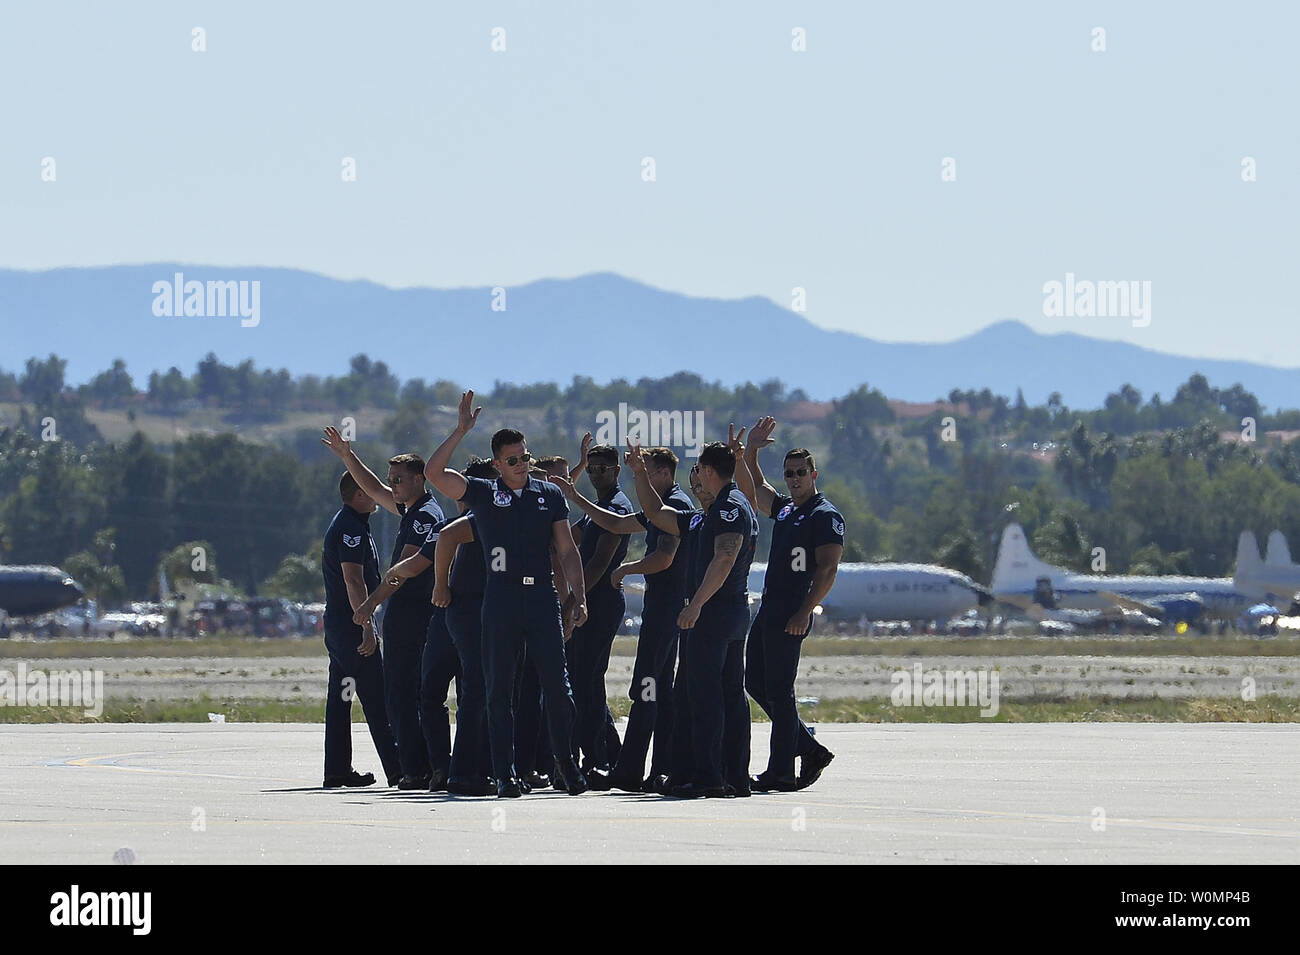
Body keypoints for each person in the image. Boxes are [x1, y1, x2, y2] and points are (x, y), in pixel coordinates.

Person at [423, 391, 589, 797]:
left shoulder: (547, 494)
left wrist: (579, 597)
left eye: (525, 457)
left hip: (541, 599)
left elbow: (566, 549)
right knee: (499, 688)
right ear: (498, 464)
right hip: (500, 601)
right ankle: (505, 773)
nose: (521, 465)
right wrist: (460, 431)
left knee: (558, 686)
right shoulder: (482, 493)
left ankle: (565, 762)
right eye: (512, 460)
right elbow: (433, 472)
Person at [552, 447, 692, 793]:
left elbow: (664, 556)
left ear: (659, 475)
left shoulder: (674, 507)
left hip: (667, 607)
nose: (638, 484)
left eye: (642, 475)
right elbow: (612, 523)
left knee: (645, 687)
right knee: (654, 688)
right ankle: (650, 767)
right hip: (659, 606)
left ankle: (633, 768)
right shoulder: (655, 509)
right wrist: (574, 496)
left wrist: (625, 569)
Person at [627, 438, 757, 798]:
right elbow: (657, 514)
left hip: (715, 612)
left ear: (710, 471)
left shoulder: (729, 508)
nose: (695, 475)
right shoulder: (710, 512)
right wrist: (639, 474)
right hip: (726, 614)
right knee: (725, 694)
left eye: (699, 468)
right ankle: (732, 775)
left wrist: (696, 603)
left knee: (705, 696)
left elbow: (724, 558)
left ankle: (708, 776)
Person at [322, 430, 446, 789]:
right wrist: (347, 456)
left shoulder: (426, 514)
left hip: (415, 616)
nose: (390, 486)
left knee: (403, 695)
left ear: (419, 480)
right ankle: (411, 768)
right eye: (391, 479)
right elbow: (372, 487)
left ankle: (416, 769)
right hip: (400, 617)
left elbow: (404, 569)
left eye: (398, 480)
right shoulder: (409, 506)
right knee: (394, 694)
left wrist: (368, 606)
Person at [742, 416, 843, 790]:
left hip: (793, 612)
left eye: (801, 472)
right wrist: (750, 451)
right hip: (770, 609)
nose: (795, 478)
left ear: (814, 474)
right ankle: (808, 748)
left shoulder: (824, 515)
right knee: (755, 682)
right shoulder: (786, 509)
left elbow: (828, 569)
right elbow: (755, 488)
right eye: (789, 473)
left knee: (780, 690)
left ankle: (781, 770)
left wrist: (805, 610)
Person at [319, 471, 401, 788]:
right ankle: (398, 769)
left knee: (342, 697)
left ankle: (337, 769)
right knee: (376, 696)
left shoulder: (351, 524)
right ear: (358, 495)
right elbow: (353, 579)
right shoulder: (350, 529)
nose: (378, 494)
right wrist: (366, 625)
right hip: (351, 627)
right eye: (369, 489)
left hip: (341, 626)